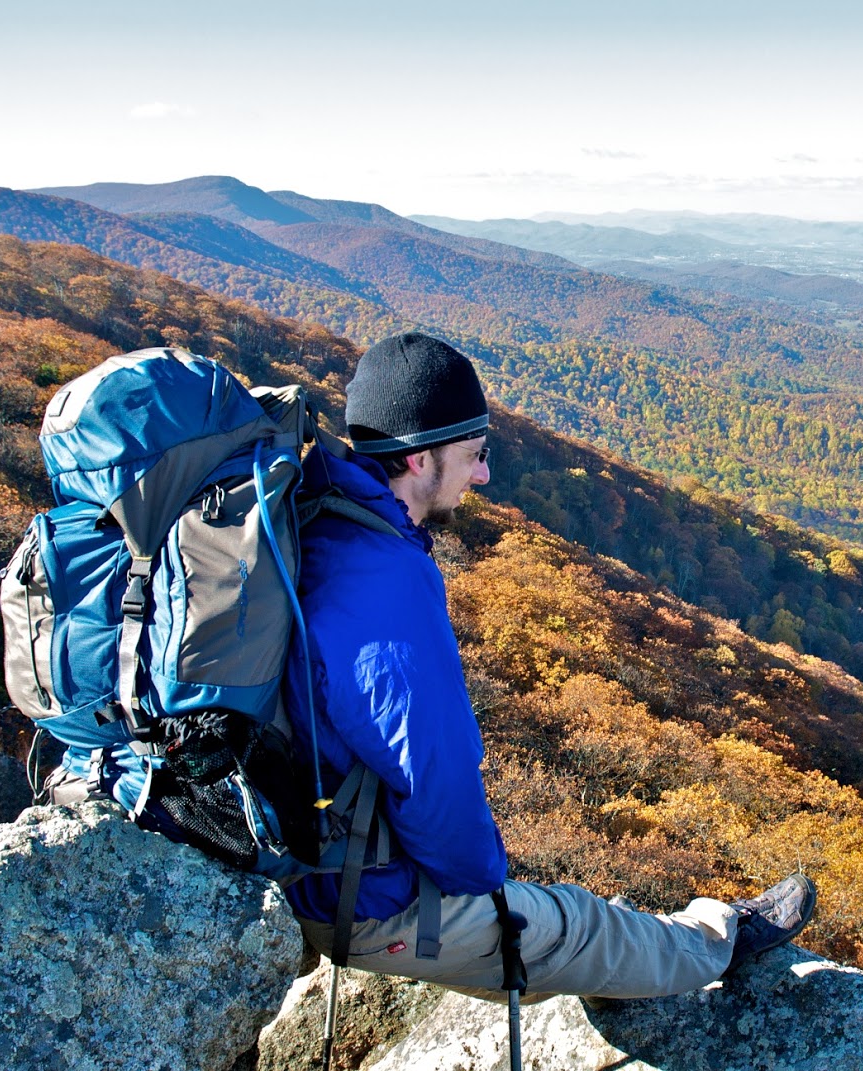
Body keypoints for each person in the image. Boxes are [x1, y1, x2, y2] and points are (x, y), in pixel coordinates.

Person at [286, 331, 815, 1002]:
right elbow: (436, 776)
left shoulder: (314, 511)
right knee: (578, 923)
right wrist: (488, 882)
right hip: (358, 899)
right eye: (474, 456)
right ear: (419, 459)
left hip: (295, 850)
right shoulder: (386, 580)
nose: (483, 475)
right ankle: (719, 937)